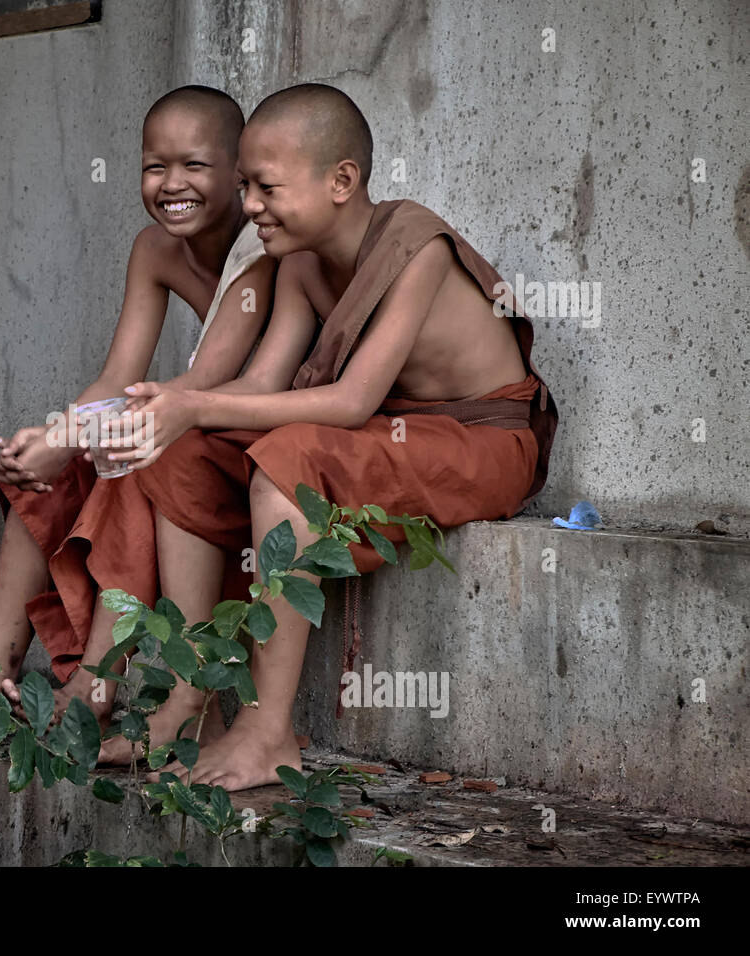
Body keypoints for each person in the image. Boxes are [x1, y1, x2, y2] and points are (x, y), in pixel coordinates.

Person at [95, 83, 558, 788]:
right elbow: (262, 388)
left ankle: (268, 729)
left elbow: (349, 399)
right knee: (186, 453)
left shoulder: (416, 245)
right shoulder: (302, 261)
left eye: (267, 188)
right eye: (245, 185)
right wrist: (180, 404)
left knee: (289, 458)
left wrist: (194, 404)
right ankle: (187, 695)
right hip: (384, 430)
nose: (248, 206)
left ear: (342, 180)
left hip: (481, 441)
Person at [0, 86, 277, 728]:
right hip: (187, 416)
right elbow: (118, 377)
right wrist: (55, 435)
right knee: (54, 469)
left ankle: (95, 689)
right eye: (155, 166)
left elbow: (202, 383)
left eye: (195, 166)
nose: (171, 183)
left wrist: (78, 435)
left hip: (237, 432)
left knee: (127, 460)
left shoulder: (263, 252)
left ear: (239, 174)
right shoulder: (155, 249)